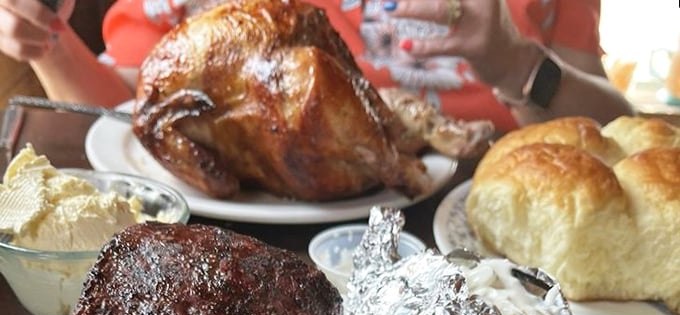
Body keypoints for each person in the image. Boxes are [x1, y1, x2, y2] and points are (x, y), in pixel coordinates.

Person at [0, 0, 633, 130]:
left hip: (475, 250)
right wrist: (46, 40)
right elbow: (119, 116)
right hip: (239, 240)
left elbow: (617, 130)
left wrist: (514, 60)